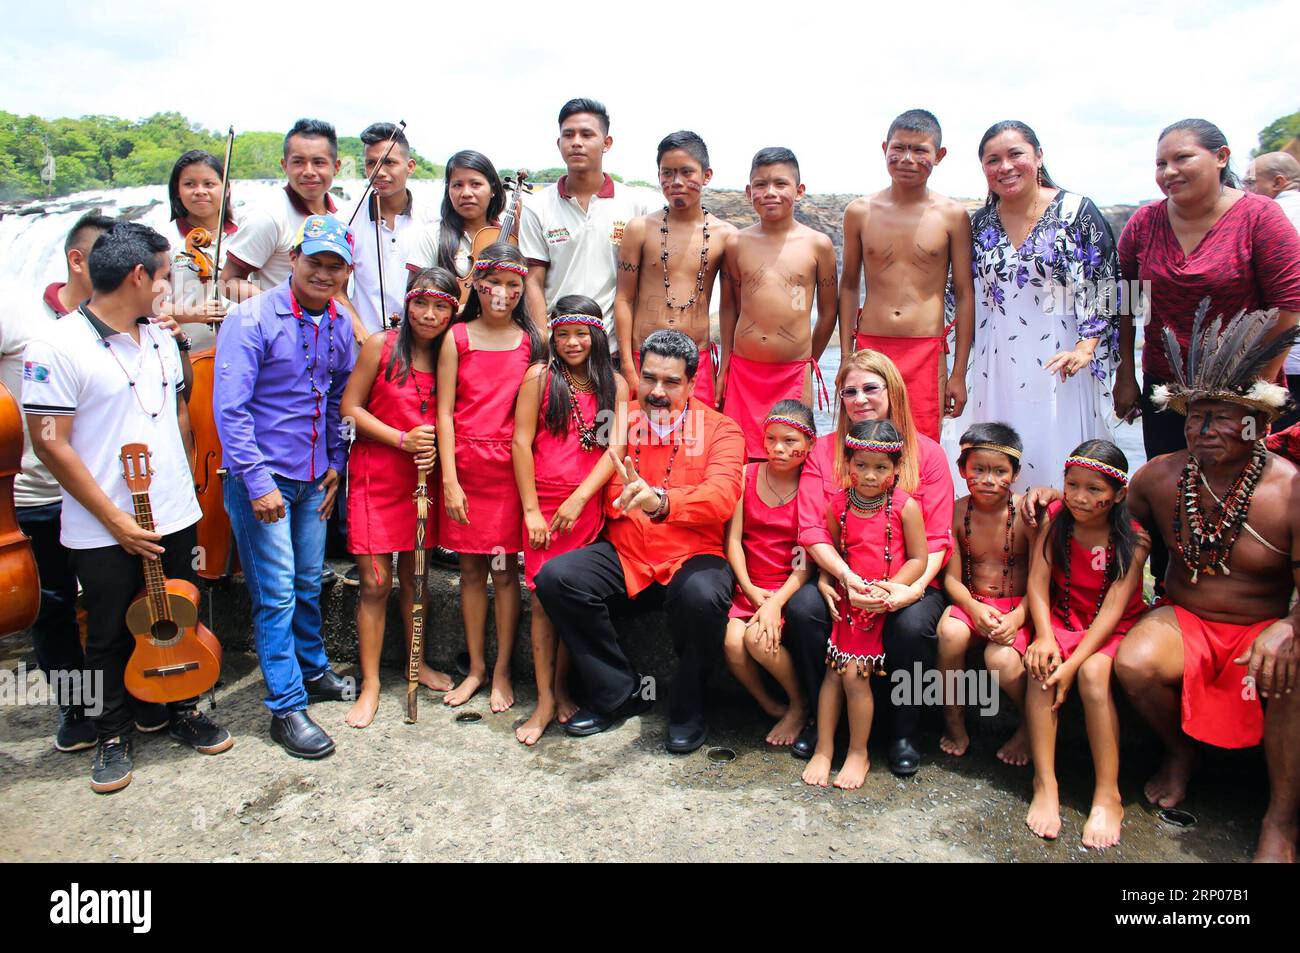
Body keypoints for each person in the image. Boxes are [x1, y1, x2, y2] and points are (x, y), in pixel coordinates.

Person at [24, 221, 233, 793]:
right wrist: (114, 519)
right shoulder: (56, 346)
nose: (171, 291)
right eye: (166, 277)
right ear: (139, 276)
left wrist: (189, 488)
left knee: (180, 613)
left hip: (172, 510)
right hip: (101, 524)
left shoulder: (163, 338)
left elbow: (179, 417)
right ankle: (112, 732)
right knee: (110, 631)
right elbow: (49, 441)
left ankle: (181, 707)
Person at [1106, 310, 1300, 863]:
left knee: (1293, 664)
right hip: (1183, 617)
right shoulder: (1159, 477)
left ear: (1258, 424)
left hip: (1263, 626)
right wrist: (1044, 499)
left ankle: (1281, 818)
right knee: (1135, 663)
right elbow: (1098, 516)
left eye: (1221, 419)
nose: (1203, 430)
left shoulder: (1290, 492)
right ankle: (1180, 752)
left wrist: (1290, 625)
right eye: (1196, 418)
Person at [534, 329, 746, 753]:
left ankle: (688, 707)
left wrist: (661, 501)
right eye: (649, 378)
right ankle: (617, 690)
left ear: (692, 382)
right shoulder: (618, 419)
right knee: (557, 578)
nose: (657, 392)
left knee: (703, 597)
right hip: (628, 554)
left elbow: (723, 495)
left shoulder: (723, 429)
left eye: (671, 382)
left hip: (691, 555)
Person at [1115, 119, 1300, 585]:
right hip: (1167, 391)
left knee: (1241, 494)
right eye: (1161, 163)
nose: (1169, 171)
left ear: (1221, 157)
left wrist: (1255, 384)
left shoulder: (1260, 216)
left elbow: (1290, 304)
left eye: (1182, 158)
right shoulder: (1146, 222)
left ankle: (1248, 601)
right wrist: (1123, 374)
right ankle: (1171, 595)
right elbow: (1121, 302)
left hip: (1242, 393)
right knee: (1169, 492)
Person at [216, 214, 357, 759]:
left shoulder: (339, 322)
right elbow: (230, 410)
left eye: (334, 266)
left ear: (347, 270)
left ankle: (314, 668)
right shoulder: (250, 319)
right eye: (314, 262)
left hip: (313, 476)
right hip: (264, 479)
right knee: (273, 594)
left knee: (306, 582)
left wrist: (337, 463)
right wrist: (256, 483)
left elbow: (339, 393)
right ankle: (285, 705)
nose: (323, 273)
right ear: (293, 259)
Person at [787, 348, 954, 774]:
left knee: (913, 625)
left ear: (893, 390)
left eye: (870, 388)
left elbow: (936, 540)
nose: (860, 398)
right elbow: (813, 530)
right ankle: (819, 722)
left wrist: (906, 589)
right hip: (842, 574)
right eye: (849, 391)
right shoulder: (823, 452)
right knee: (805, 609)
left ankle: (902, 730)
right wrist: (836, 576)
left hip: (910, 576)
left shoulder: (929, 455)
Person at [1, 211, 113, 752]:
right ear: (78, 260)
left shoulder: (127, 321)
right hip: (39, 493)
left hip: (109, 494)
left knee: (115, 600)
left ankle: (124, 698)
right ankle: (76, 707)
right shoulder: (22, 313)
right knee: (52, 606)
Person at [956, 121, 1120, 489]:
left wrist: (1086, 347)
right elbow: (962, 296)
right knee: (997, 454)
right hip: (996, 363)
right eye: (992, 160)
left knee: (1057, 454)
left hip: (1060, 358)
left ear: (1039, 156)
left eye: (1016, 155)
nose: (1005, 166)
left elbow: (1108, 285)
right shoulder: (980, 224)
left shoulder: (1076, 211)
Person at [338, 267, 458, 728]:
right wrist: (400, 438)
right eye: (421, 303)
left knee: (418, 578)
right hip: (377, 472)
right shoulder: (381, 345)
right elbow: (350, 409)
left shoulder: (452, 352)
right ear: (407, 304)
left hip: (424, 479)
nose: (429, 315)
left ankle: (417, 663)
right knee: (373, 582)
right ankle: (370, 684)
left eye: (441, 306)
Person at [512, 294, 627, 745]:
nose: (572, 342)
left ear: (597, 334)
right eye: (563, 334)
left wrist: (580, 499)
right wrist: (531, 511)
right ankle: (544, 699)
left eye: (581, 333)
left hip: (582, 508)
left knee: (569, 600)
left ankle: (563, 688)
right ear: (552, 337)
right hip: (541, 508)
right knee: (542, 601)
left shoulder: (612, 383)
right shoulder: (540, 377)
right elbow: (521, 443)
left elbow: (614, 449)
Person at [1023, 442, 1149, 848]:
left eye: (1095, 490)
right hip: (1061, 621)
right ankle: (1045, 783)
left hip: (1106, 630)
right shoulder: (1056, 518)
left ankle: (1108, 793)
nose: (1080, 496)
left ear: (1119, 494)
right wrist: (1044, 636)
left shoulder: (1134, 539)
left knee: (1095, 675)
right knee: (1041, 668)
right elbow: (1038, 582)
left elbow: (1113, 609)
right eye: (1072, 485)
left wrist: (1074, 663)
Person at [436, 243, 543, 711]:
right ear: (476, 285)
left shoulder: (530, 342)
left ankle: (502, 671)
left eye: (513, 286)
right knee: (470, 571)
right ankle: (476, 667)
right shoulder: (456, 337)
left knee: (504, 573)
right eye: (493, 283)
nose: (502, 293)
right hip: (465, 469)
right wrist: (450, 480)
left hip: (509, 473)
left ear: (523, 290)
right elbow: (443, 413)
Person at [802, 420, 928, 789]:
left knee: (855, 676)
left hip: (881, 600)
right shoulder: (838, 503)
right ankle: (824, 749)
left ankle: (858, 752)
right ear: (847, 464)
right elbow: (835, 552)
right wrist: (829, 580)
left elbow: (918, 560)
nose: (870, 475)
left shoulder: (905, 507)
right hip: (849, 599)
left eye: (881, 467)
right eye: (861, 465)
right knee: (832, 674)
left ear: (896, 469)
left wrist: (890, 591)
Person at [839, 109, 974, 441]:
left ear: (939, 156)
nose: (907, 159)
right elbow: (848, 286)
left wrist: (958, 374)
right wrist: (846, 357)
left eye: (920, 150)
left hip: (925, 349)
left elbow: (965, 293)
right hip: (871, 345)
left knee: (921, 443)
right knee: (863, 443)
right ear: (884, 147)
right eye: (898, 148)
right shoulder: (860, 211)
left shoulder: (952, 216)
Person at [718, 148, 838, 459]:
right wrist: (725, 366)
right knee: (738, 457)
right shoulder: (736, 244)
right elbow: (730, 306)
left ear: (799, 191)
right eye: (760, 184)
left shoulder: (817, 245)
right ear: (749, 192)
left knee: (790, 457)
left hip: (791, 373)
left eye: (780, 184)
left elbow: (828, 313)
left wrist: (808, 360)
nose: (770, 192)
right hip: (743, 371)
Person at [519, 98, 660, 353]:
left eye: (587, 134)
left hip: (615, 349)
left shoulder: (636, 205)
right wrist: (543, 343)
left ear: (607, 143)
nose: (576, 142)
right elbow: (533, 281)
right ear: (558, 143)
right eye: (568, 135)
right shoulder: (537, 207)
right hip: (560, 347)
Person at [615, 131, 735, 406]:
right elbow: (624, 298)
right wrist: (628, 366)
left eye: (686, 172)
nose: (676, 182)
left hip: (698, 361)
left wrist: (724, 369)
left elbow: (729, 308)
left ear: (707, 175)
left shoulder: (725, 235)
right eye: (667, 173)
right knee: (640, 441)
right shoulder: (639, 229)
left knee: (695, 440)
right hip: (643, 358)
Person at [937, 423, 1034, 764]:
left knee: (1001, 660)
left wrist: (1018, 617)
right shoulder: (957, 511)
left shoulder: (1028, 514)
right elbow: (951, 580)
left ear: (1016, 473)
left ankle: (1030, 724)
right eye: (978, 469)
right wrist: (973, 609)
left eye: (999, 471)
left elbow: (1040, 579)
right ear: (962, 469)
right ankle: (953, 718)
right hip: (971, 601)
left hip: (1018, 607)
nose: (989, 480)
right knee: (949, 633)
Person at [722, 400, 817, 745]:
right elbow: (733, 540)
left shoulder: (811, 486)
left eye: (790, 441)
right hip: (749, 586)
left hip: (787, 589)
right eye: (772, 438)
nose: (779, 448)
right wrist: (747, 588)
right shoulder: (746, 476)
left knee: (756, 640)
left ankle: (799, 704)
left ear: (810, 445)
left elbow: (805, 557)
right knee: (733, 644)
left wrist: (776, 602)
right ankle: (768, 704)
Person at [220, 118, 343, 300]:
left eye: (319, 162)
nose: (309, 171)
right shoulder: (267, 215)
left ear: (336, 167)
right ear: (284, 166)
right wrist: (283, 310)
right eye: (298, 162)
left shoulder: (344, 215)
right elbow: (228, 282)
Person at [345, 123, 439, 345]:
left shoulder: (434, 220)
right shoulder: (346, 220)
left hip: (421, 349)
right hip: (363, 350)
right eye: (371, 163)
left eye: (389, 162)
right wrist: (361, 333)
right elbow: (336, 290)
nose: (380, 172)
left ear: (410, 166)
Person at [1245, 151, 1300, 430]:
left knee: (1275, 452)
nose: (1245, 191)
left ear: (1278, 182)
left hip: (1284, 365)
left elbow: (1288, 301)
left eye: (1251, 183)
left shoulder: (1269, 218)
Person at [405, 150, 506, 299]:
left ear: (493, 190)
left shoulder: (507, 236)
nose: (466, 193)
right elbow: (415, 300)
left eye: (476, 184)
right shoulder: (432, 235)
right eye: (457, 185)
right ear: (448, 190)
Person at [165, 149, 238, 353]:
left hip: (244, 352)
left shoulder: (247, 232)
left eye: (209, 184)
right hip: (189, 355)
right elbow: (148, 305)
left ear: (227, 189)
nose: (200, 191)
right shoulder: (164, 240)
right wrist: (193, 313)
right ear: (177, 191)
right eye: (189, 184)